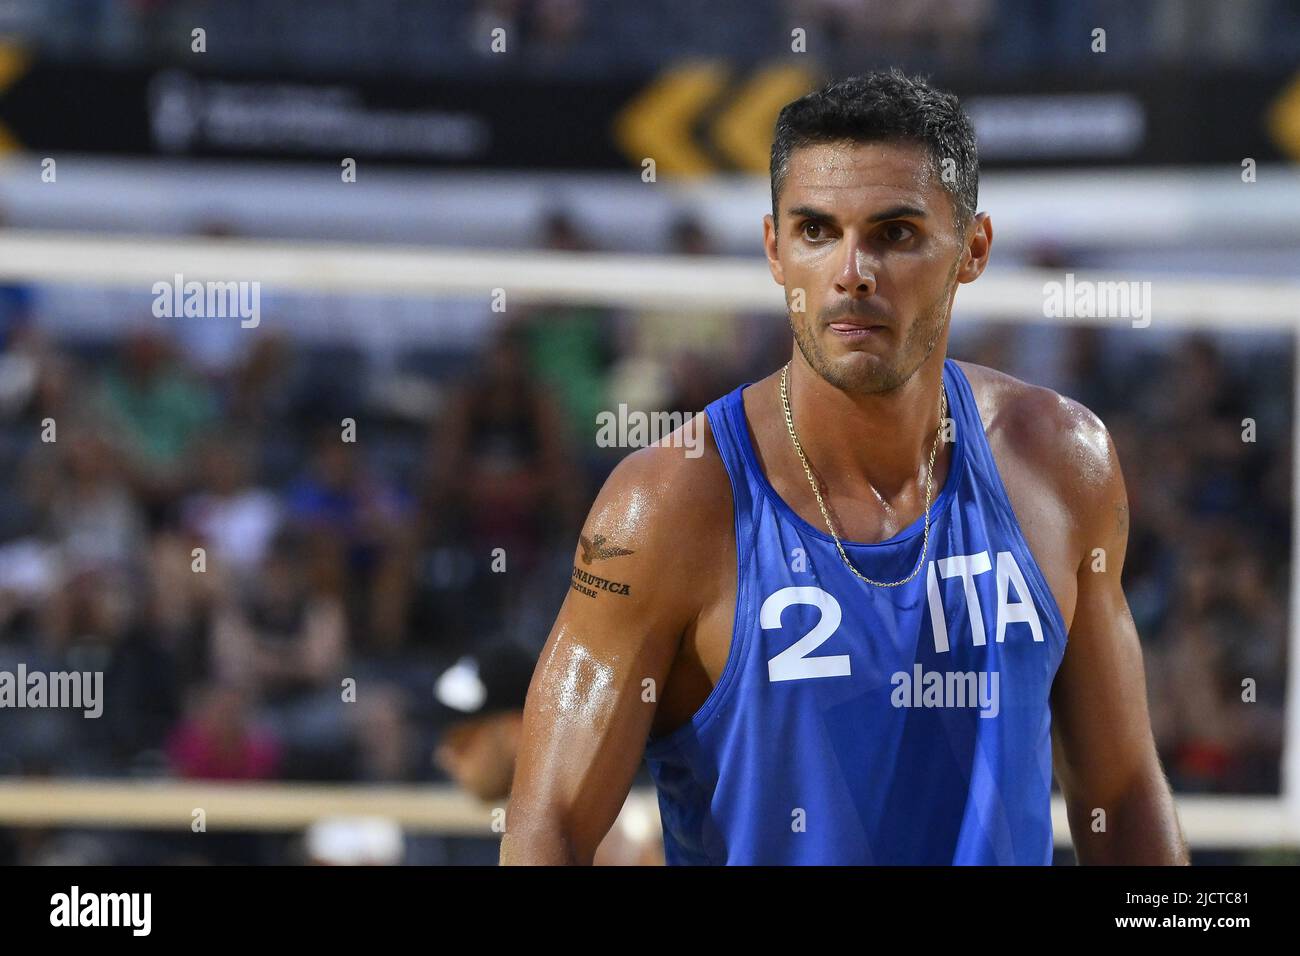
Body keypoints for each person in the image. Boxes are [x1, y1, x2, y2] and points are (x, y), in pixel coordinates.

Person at [501, 70, 1188, 865]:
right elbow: (545, 825)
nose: (851, 270)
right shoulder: (666, 502)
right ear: (774, 250)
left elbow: (1125, 793)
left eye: (894, 233)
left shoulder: (1063, 460)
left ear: (973, 250)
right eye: (817, 231)